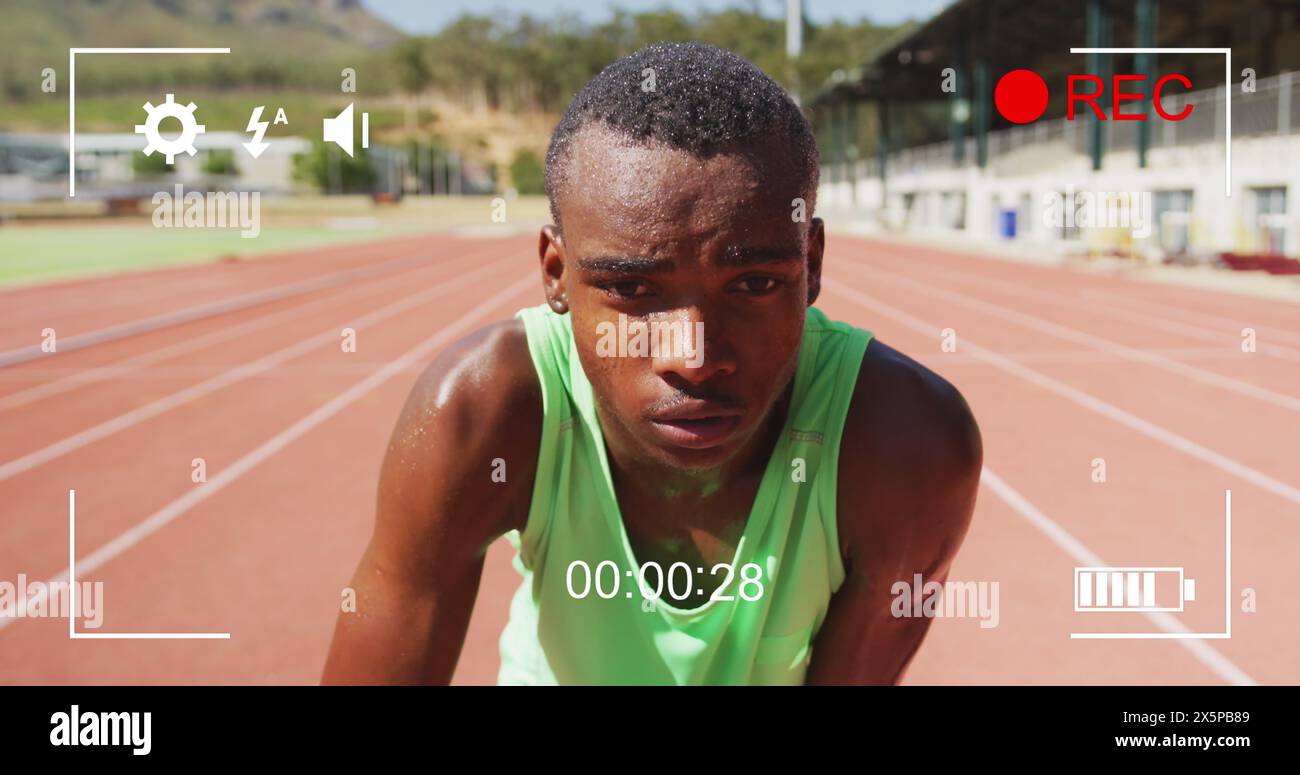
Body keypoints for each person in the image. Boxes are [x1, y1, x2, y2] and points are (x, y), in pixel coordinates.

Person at [322, 42, 982, 685]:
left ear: (811, 263)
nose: (693, 358)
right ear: (556, 273)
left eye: (753, 285)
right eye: (634, 291)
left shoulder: (908, 443)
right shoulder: (480, 411)